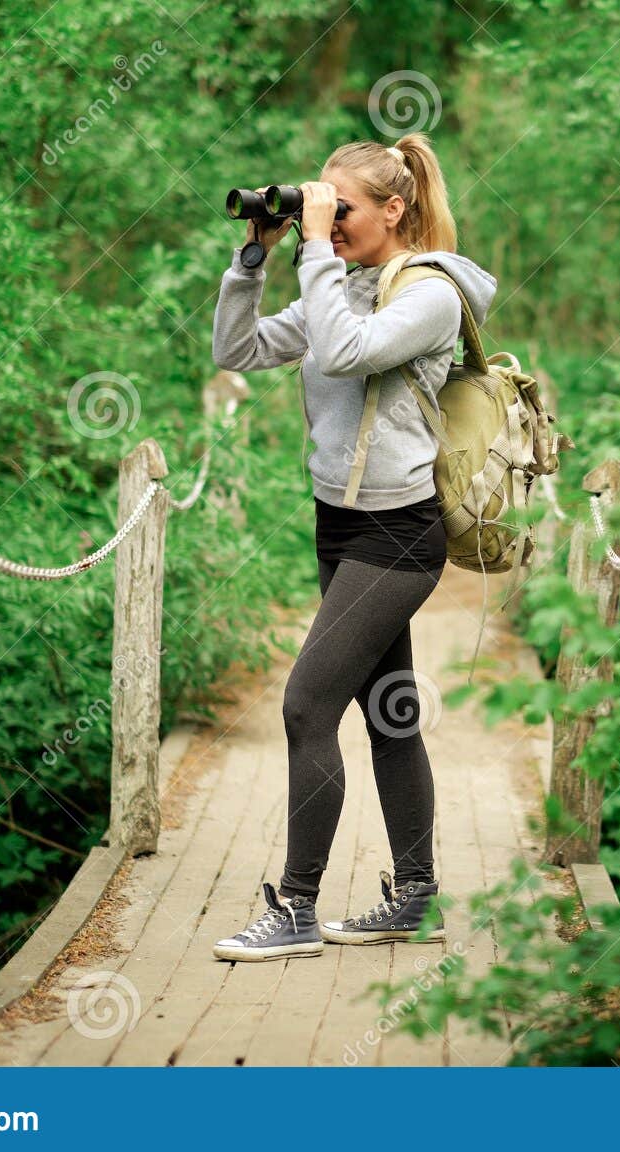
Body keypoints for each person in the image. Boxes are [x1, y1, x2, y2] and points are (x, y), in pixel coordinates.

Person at [207, 133, 497, 962]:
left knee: (306, 706)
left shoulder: (429, 296)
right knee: (389, 713)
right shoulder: (346, 282)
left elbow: (341, 350)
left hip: (396, 534)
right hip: (337, 523)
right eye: (320, 207)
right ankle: (414, 899)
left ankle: (296, 905)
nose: (326, 224)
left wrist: (314, 257)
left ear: (394, 210)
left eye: (343, 210)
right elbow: (239, 349)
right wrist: (254, 258)